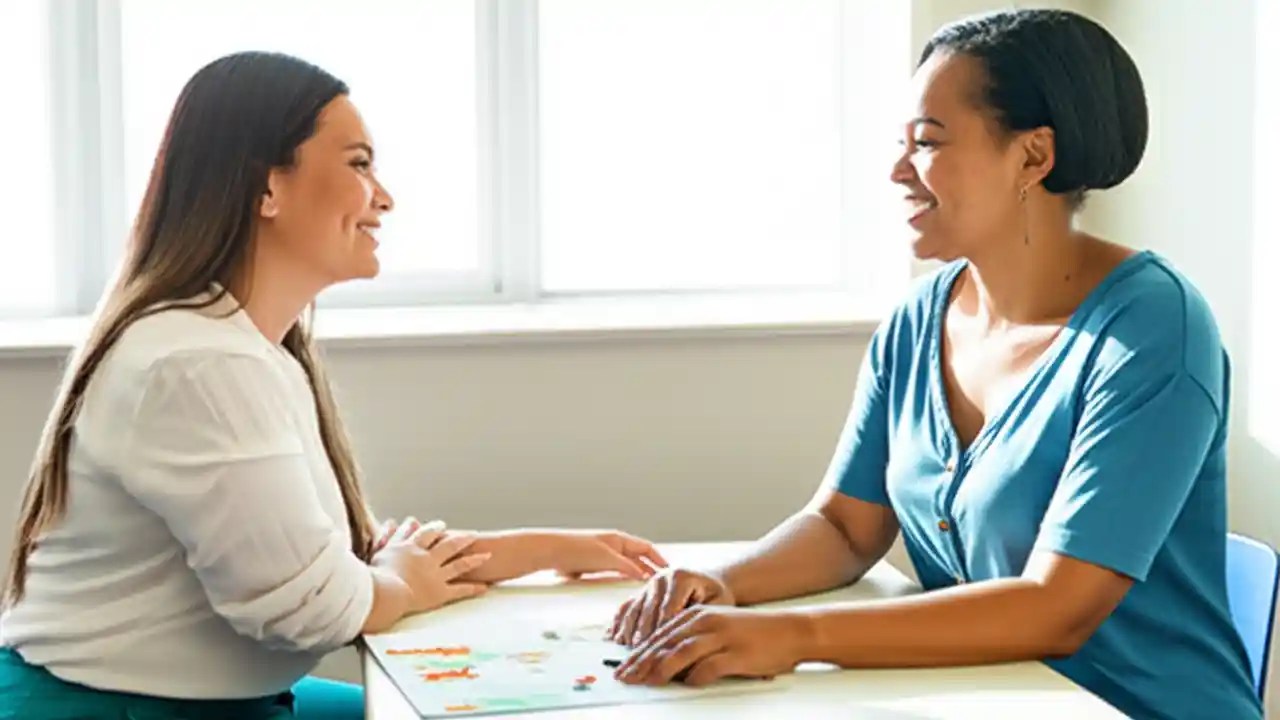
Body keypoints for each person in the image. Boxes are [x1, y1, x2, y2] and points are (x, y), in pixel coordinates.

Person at [606, 9, 1263, 719]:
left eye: (927, 142)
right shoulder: (919, 320)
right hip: (986, 700)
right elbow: (846, 527)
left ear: (1033, 157)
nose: (897, 171)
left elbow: (1057, 608)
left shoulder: (1153, 330)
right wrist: (717, 583)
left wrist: (792, 635)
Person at [0, 51, 665, 720]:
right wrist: (402, 582)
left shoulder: (248, 351)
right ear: (266, 188)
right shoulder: (199, 364)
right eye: (359, 163)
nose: (384, 197)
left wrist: (543, 550)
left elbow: (346, 559)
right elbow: (313, 609)